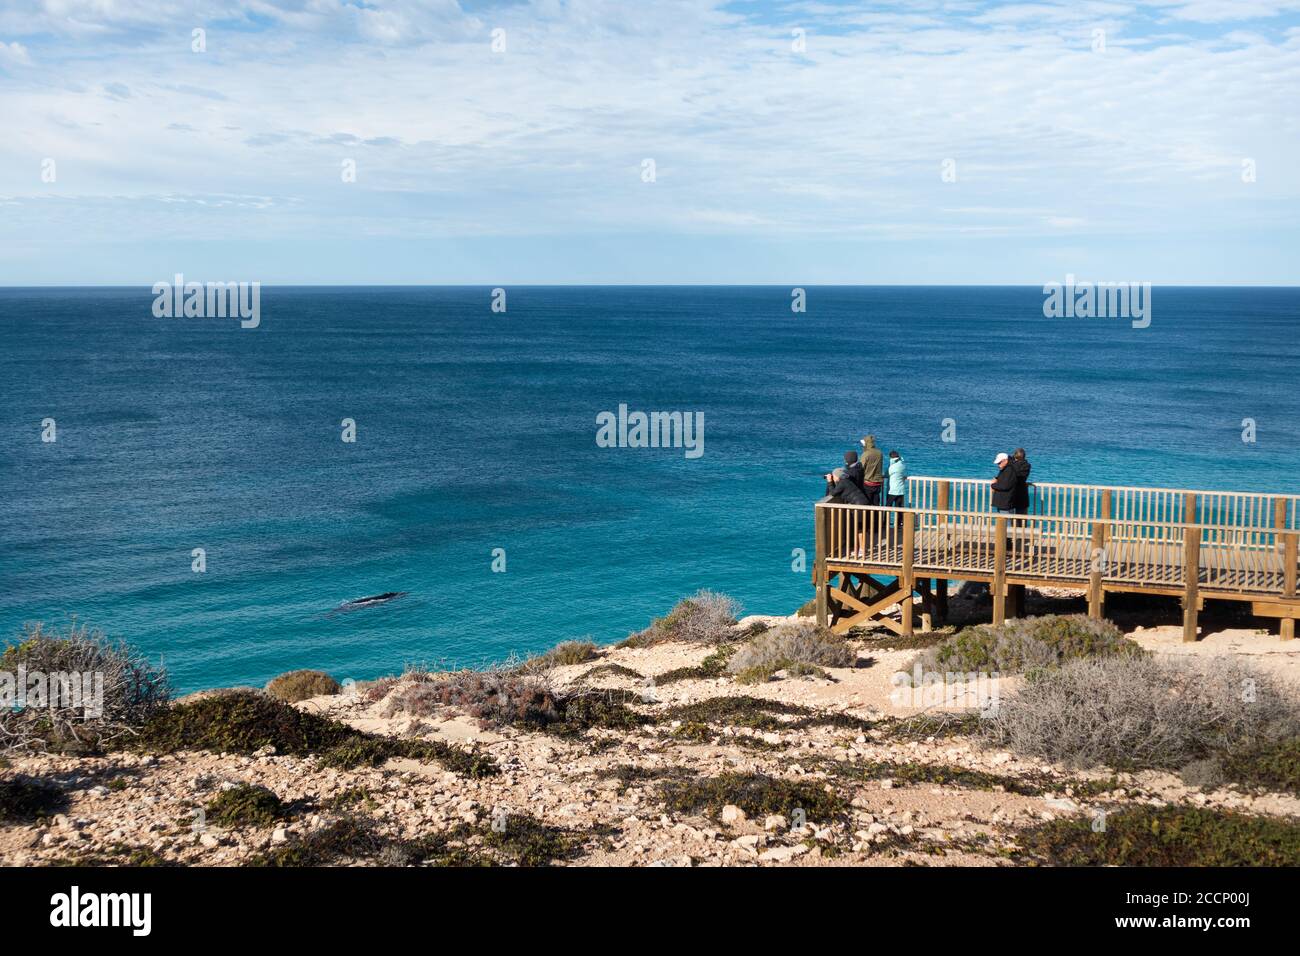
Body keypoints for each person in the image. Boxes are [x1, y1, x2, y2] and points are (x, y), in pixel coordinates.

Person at [859, 435, 884, 505]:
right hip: (878, 483)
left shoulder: (866, 454)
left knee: (867, 503)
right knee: (876, 503)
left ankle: (868, 516)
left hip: (868, 482)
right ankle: (877, 516)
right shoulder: (879, 453)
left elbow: (861, 468)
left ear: (866, 443)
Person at [1011, 448, 1031, 515]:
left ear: (1015, 456)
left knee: (1009, 517)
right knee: (1021, 518)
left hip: (1011, 492)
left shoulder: (1011, 465)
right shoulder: (1027, 465)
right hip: (1022, 493)